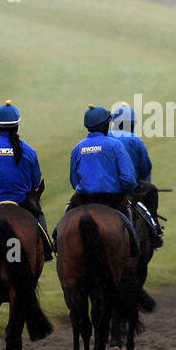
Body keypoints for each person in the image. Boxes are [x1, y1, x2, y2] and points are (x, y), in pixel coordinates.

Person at [0, 100, 53, 260]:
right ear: (17, 126)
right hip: (21, 203)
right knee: (38, 218)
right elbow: (35, 182)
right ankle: (46, 249)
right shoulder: (29, 151)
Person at [67, 105, 142, 255]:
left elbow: (74, 180)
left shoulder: (77, 148)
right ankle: (133, 247)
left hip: (85, 200)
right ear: (106, 125)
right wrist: (125, 189)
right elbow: (128, 178)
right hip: (112, 200)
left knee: (67, 215)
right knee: (129, 224)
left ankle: (56, 242)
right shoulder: (115, 145)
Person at [110, 101, 163, 247]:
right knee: (151, 190)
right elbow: (145, 168)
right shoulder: (135, 140)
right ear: (132, 124)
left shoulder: (105, 136)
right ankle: (155, 229)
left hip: (104, 186)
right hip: (129, 187)